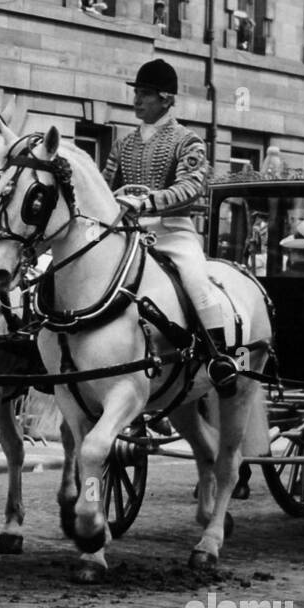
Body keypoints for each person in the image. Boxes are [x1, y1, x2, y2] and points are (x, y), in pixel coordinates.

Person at [106, 58, 238, 396]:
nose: (137, 100)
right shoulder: (123, 144)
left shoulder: (188, 141)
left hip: (172, 231)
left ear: (166, 99)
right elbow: (105, 185)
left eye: (145, 94)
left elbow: (190, 186)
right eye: (136, 93)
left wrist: (148, 201)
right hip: (129, 233)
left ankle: (219, 358)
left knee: (197, 283)